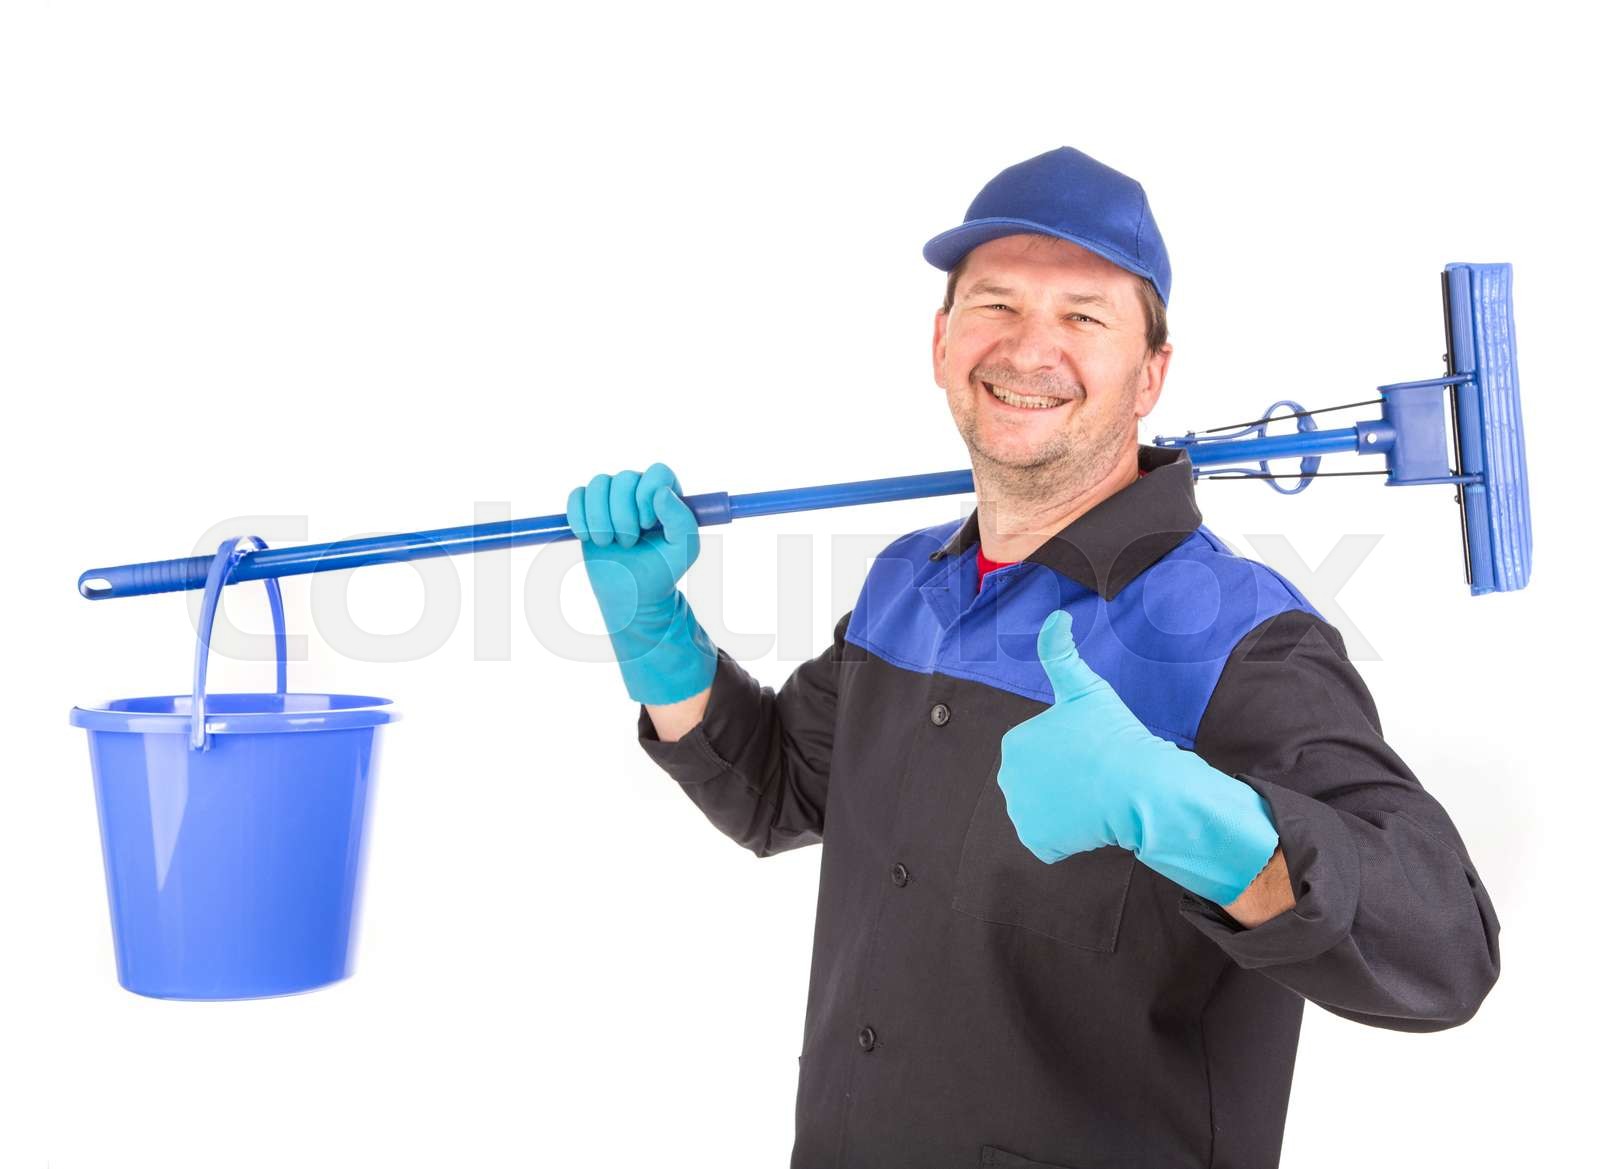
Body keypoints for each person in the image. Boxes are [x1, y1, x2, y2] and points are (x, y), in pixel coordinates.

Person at [564, 147, 1501, 1169]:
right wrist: (654, 630)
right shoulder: (903, 585)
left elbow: (1444, 950)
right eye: (995, 305)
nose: (1028, 347)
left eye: (1084, 316)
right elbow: (780, 790)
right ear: (939, 341)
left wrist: (1196, 818)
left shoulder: (1239, 637)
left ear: (1150, 373)